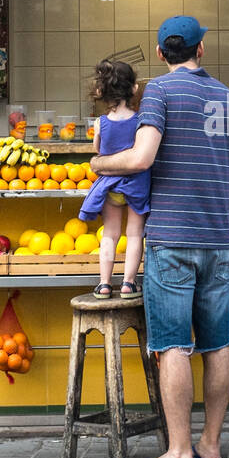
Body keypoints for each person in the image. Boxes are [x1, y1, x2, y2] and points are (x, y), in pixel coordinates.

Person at [89, 16, 229, 458]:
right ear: (201, 49)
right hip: (216, 241)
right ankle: (209, 446)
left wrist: (99, 163)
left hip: (170, 239)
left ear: (163, 54)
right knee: (217, 342)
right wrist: (223, 207)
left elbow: (142, 157)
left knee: (172, 345)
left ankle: (179, 454)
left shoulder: (160, 94)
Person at [79, 59, 149, 299]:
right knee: (134, 234)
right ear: (134, 88)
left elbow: (98, 150)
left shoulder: (101, 122)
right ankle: (129, 283)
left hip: (110, 186)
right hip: (137, 184)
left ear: (102, 91)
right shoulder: (141, 120)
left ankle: (105, 283)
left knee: (109, 235)